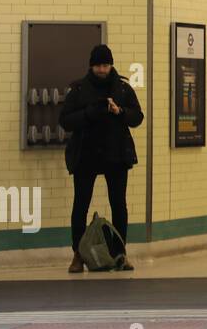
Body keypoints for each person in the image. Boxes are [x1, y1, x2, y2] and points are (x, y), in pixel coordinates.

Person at [60, 44, 144, 273]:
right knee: (81, 205)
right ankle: (78, 254)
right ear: (91, 65)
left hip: (115, 154)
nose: (102, 70)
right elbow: (65, 120)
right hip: (86, 154)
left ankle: (121, 253)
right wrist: (89, 113)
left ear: (111, 65)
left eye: (106, 65)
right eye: (98, 65)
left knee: (119, 205)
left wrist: (120, 112)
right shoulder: (78, 90)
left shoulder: (123, 89)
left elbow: (138, 117)